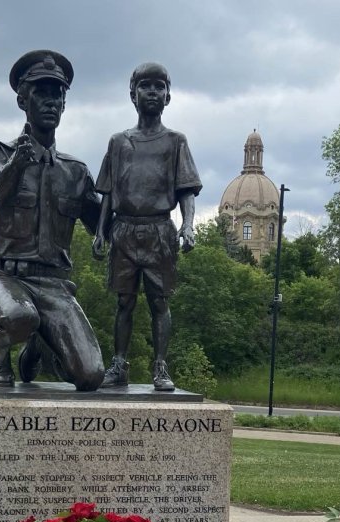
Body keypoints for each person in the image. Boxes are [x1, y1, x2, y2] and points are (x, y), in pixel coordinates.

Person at [0, 50, 104, 391]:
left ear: (64, 104)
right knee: (20, 316)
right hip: (6, 277)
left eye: (57, 95)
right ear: (22, 99)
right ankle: (0, 354)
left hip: (55, 286)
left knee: (90, 376)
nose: (51, 101)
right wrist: (19, 161)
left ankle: (40, 342)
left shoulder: (76, 172)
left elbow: (104, 224)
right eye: (41, 93)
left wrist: (142, 212)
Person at [93, 62, 201, 391]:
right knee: (124, 302)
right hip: (124, 230)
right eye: (145, 86)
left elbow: (186, 189)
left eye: (159, 86)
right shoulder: (118, 142)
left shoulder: (175, 141)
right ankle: (119, 364)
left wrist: (188, 226)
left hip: (159, 231)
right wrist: (100, 231)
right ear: (133, 94)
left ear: (168, 96)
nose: (152, 92)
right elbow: (108, 194)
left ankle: (160, 367)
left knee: (159, 302)